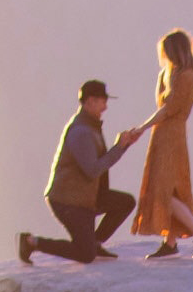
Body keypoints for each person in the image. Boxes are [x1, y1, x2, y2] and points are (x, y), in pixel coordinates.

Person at [21, 79, 144, 265]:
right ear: (90, 101)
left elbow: (98, 164)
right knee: (85, 255)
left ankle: (94, 242)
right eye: (103, 101)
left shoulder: (90, 127)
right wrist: (119, 146)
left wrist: (124, 146)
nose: (105, 107)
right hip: (69, 202)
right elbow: (93, 170)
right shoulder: (81, 132)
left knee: (125, 202)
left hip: (86, 197)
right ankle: (31, 242)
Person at [132, 29, 193, 259]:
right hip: (163, 135)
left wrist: (141, 128)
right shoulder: (172, 74)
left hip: (171, 137)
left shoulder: (187, 76)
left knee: (166, 191)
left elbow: (168, 109)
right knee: (168, 190)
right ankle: (170, 243)